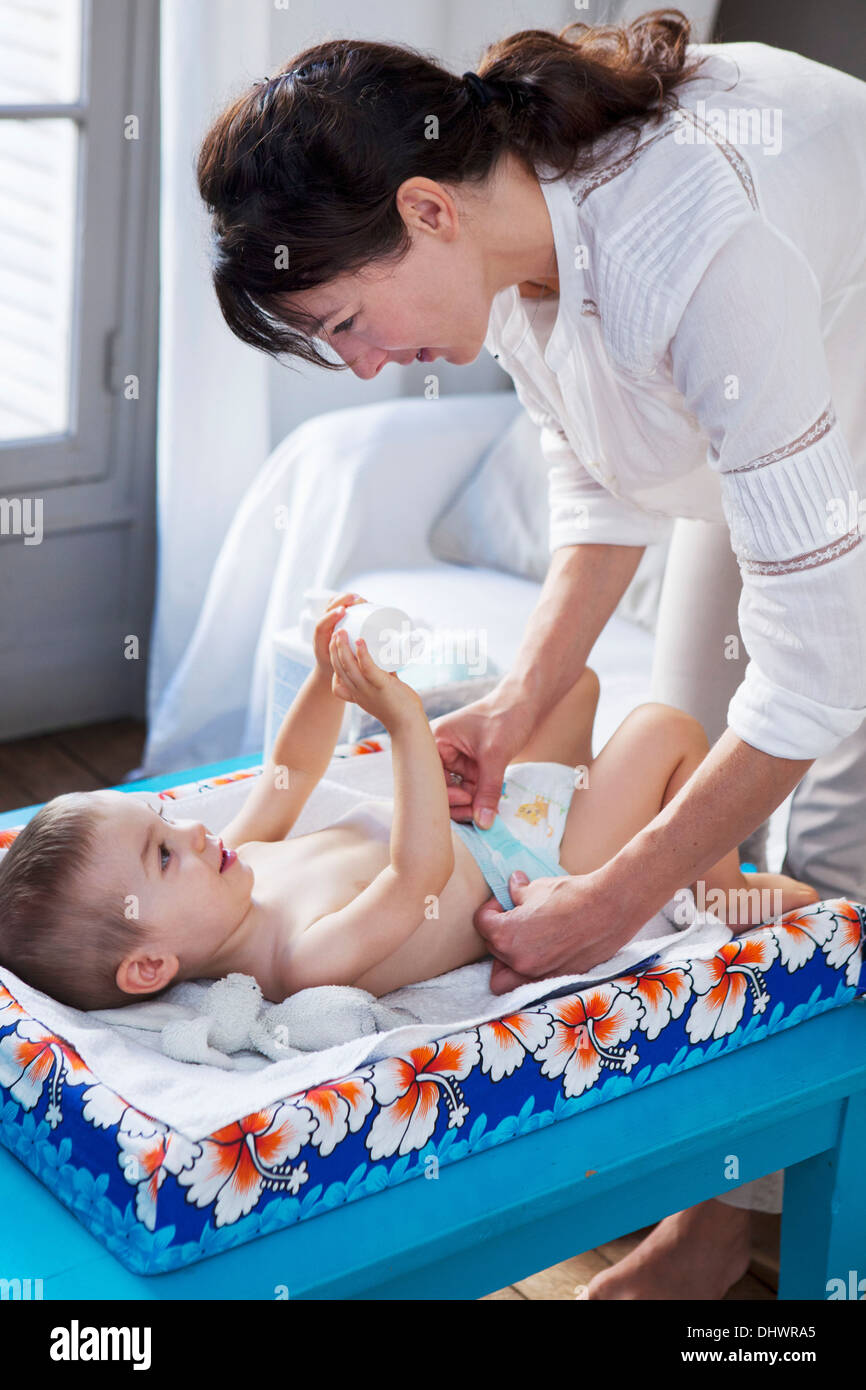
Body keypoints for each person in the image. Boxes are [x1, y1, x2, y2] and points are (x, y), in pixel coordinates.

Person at [192, 10, 866, 1296]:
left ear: (424, 211)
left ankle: (744, 1231)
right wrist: (516, 702)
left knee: (817, 851)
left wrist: (614, 898)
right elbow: (599, 489)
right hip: (776, 396)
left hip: (834, 354)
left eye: (344, 321)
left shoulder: (702, 248)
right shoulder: (508, 250)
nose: (358, 363)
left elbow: (811, 675)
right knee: (690, 745)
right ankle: (720, 1212)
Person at [0, 592, 819, 1015]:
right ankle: (716, 886)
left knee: (569, 686)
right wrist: (403, 728)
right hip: (531, 870)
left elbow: (290, 769)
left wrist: (327, 674)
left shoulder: (240, 864)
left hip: (488, 821)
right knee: (665, 727)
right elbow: (418, 874)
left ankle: (680, 854)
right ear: (151, 967)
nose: (187, 826)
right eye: (163, 853)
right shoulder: (296, 958)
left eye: (162, 822)